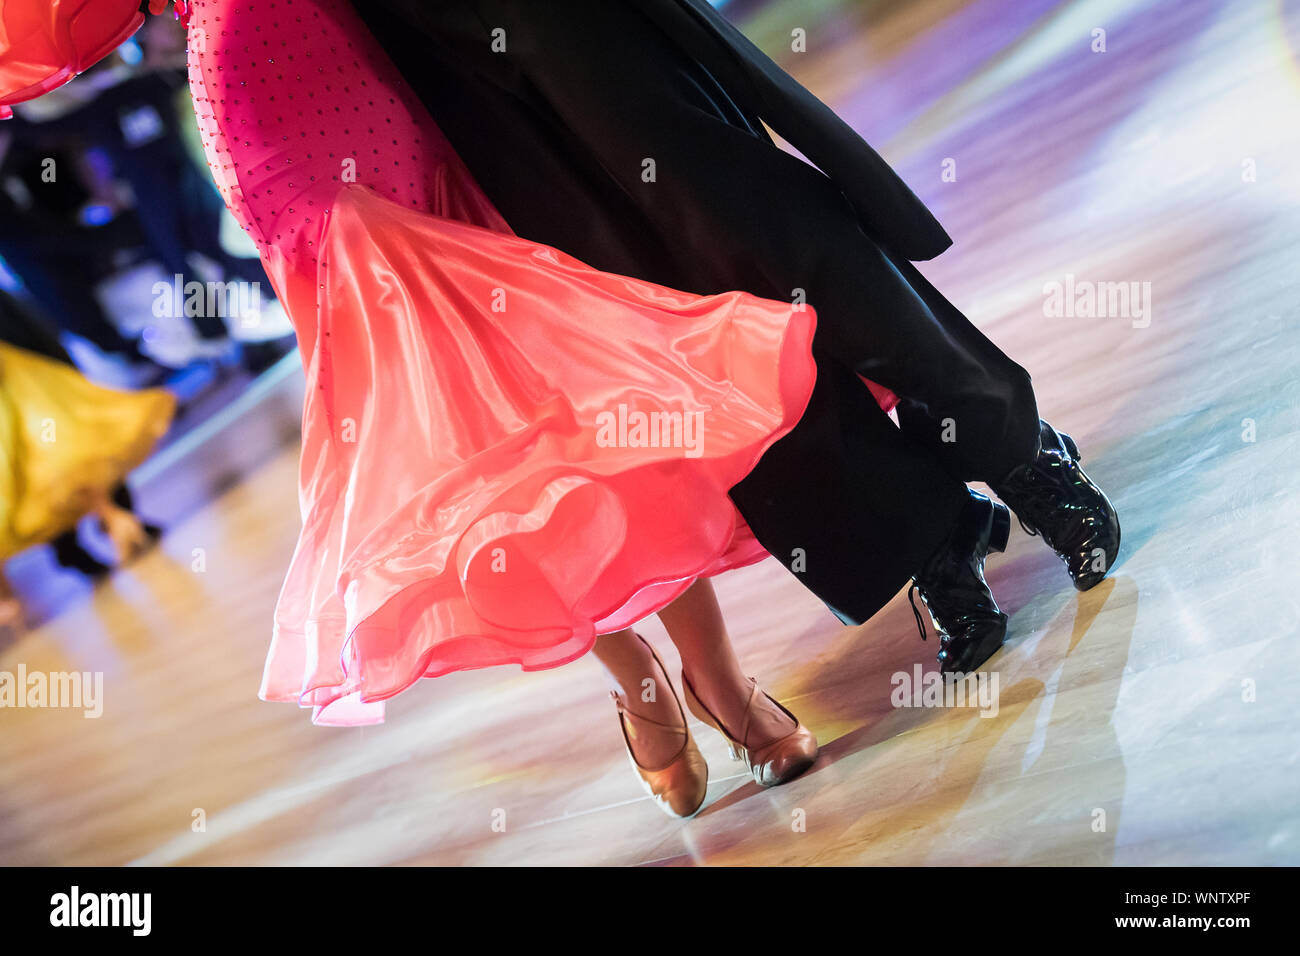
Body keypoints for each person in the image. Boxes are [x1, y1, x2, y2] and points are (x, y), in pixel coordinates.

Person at [345, 0, 1121, 674]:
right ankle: (929, 533)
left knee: (764, 230)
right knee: (675, 331)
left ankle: (1016, 454)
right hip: (445, 59)